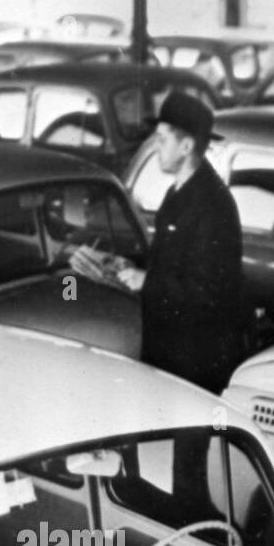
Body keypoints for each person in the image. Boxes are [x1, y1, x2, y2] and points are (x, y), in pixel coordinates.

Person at [70, 90, 245, 394]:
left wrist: (146, 280)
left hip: (195, 357)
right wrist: (126, 266)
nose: (157, 146)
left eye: (163, 139)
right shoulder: (178, 193)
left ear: (186, 146)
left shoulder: (213, 206)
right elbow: (169, 262)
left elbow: (207, 291)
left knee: (187, 436)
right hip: (169, 346)